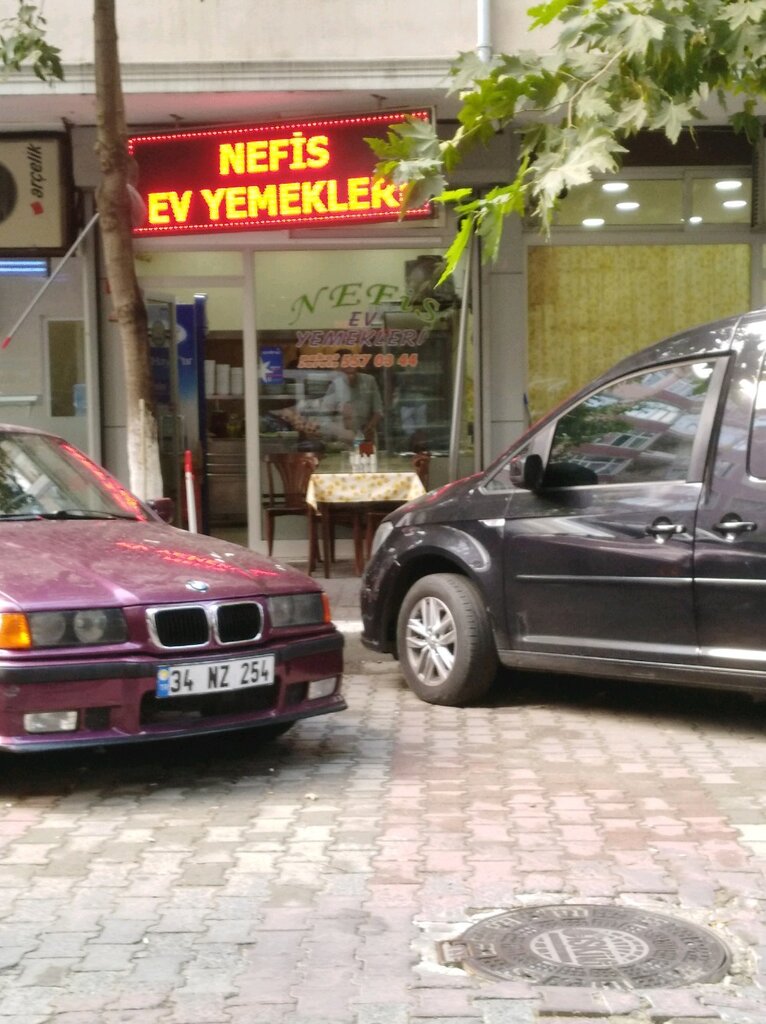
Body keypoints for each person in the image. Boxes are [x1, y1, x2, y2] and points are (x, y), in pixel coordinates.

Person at [321, 353, 383, 444]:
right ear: (340, 368)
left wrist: (369, 428)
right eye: (346, 365)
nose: (350, 375)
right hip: (344, 438)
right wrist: (339, 431)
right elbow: (324, 415)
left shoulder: (369, 381)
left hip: (367, 435)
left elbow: (378, 411)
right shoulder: (336, 384)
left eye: (352, 363)